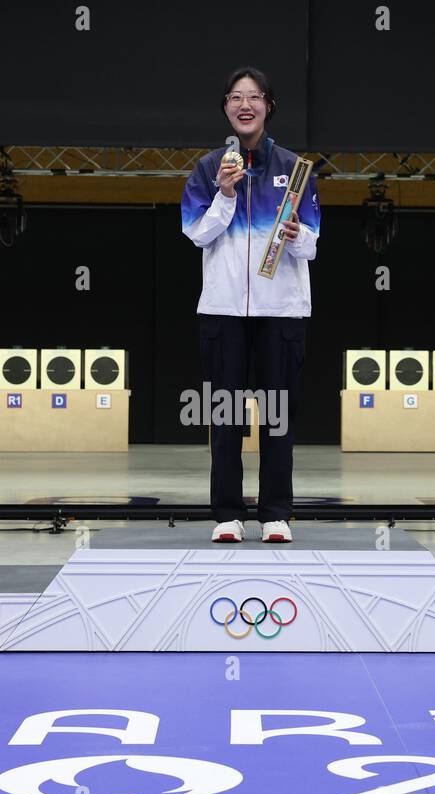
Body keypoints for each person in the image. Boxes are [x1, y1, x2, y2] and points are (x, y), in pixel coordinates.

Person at [181, 66, 320, 544]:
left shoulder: (296, 170)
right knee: (225, 415)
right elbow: (197, 233)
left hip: (281, 312)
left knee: (278, 416)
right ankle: (228, 513)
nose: (246, 105)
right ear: (225, 107)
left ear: (268, 106)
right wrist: (224, 193)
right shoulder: (207, 168)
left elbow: (313, 246)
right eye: (236, 97)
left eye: (255, 97)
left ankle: (276, 512)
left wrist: (296, 233)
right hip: (222, 313)